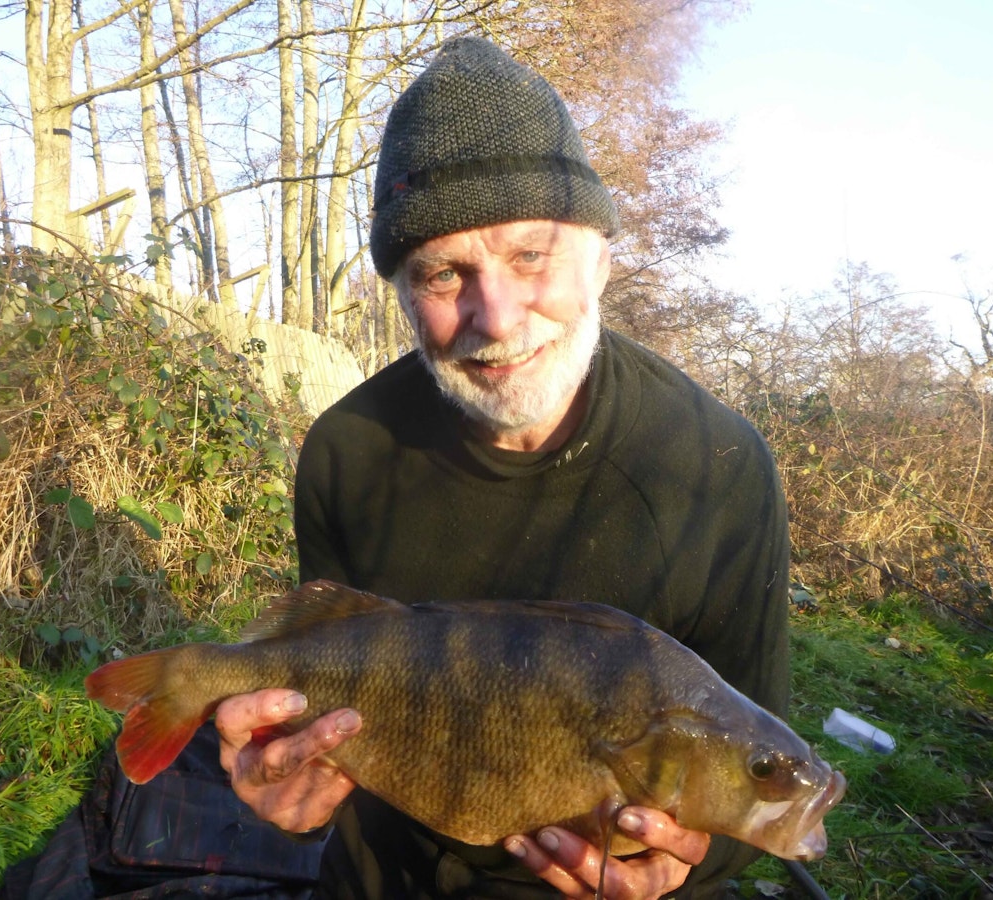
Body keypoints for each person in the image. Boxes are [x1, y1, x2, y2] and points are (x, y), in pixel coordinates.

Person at [213, 35, 791, 900]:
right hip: (388, 873)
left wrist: (684, 860)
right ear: (402, 294)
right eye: (444, 272)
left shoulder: (717, 468)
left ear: (601, 253)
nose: (497, 313)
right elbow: (322, 697)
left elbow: (760, 775)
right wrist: (291, 786)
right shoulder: (347, 451)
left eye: (532, 255)